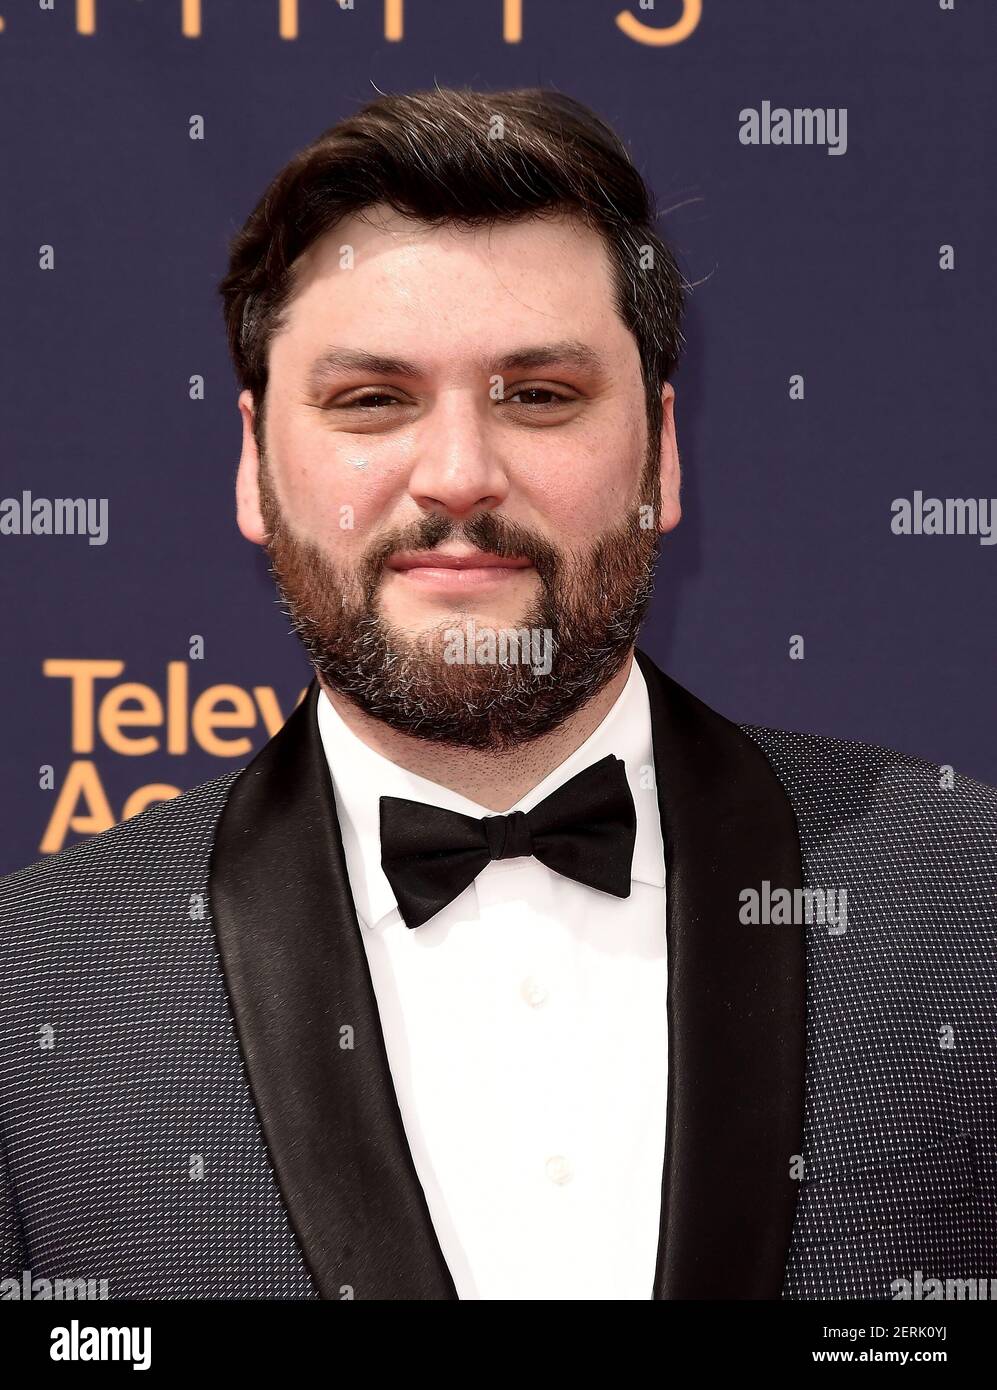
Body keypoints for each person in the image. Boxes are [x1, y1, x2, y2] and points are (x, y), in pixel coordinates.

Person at [1, 86, 995, 1302]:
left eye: (539, 395)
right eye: (372, 399)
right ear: (256, 464)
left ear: (662, 454)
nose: (460, 477)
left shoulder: (967, 905)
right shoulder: (29, 993)